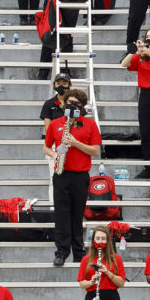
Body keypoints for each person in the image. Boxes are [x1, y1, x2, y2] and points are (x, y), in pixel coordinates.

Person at [45, 88, 102, 267]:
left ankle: (78, 251)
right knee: (61, 215)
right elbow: (46, 147)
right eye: (69, 103)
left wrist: (76, 143)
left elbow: (95, 150)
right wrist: (55, 155)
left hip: (80, 175)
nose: (72, 106)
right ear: (64, 104)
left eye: (76, 104)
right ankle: (61, 251)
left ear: (82, 106)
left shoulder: (90, 124)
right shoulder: (55, 123)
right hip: (61, 174)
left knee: (77, 215)